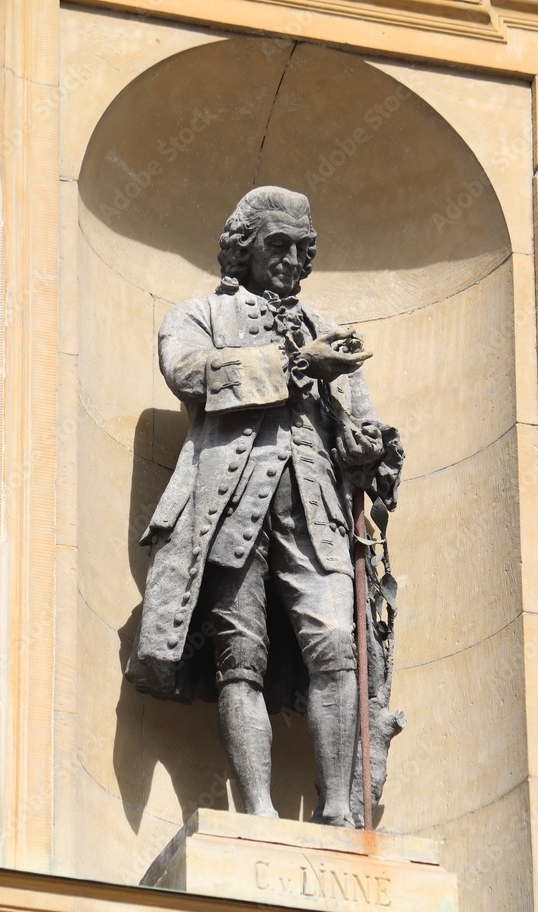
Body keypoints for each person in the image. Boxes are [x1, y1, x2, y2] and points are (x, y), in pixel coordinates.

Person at [126, 186, 403, 826]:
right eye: (278, 245)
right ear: (244, 247)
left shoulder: (330, 334)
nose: (292, 261)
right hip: (227, 507)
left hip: (317, 513)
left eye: (303, 250)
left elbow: (363, 431)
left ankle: (338, 809)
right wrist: (297, 362)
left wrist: (369, 449)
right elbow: (191, 374)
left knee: (337, 643)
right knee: (238, 655)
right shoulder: (198, 315)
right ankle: (258, 814)